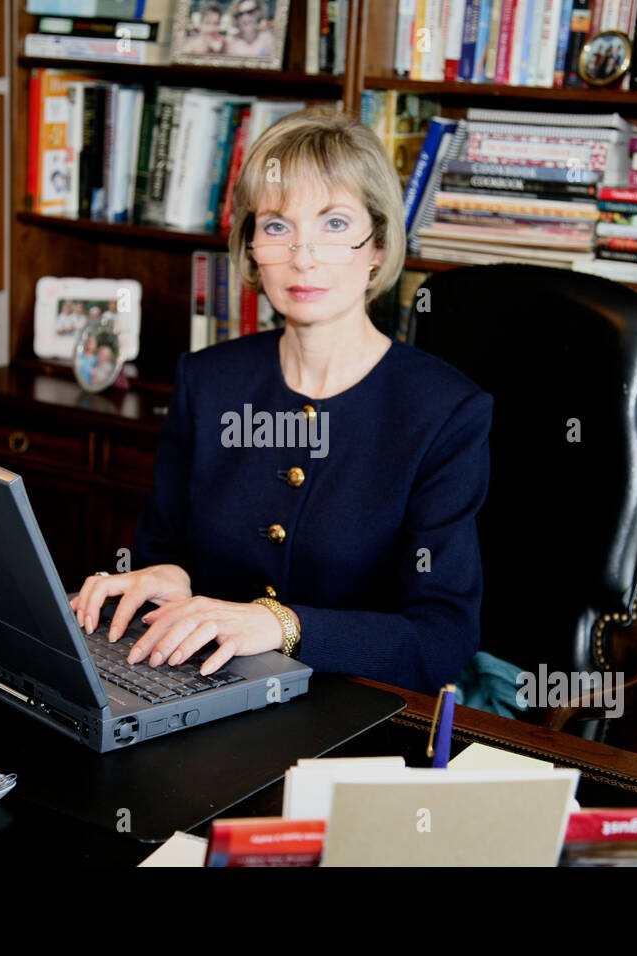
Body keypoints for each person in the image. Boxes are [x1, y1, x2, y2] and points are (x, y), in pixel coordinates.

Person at [70, 107, 495, 695]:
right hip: (201, 692)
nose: (303, 254)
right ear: (250, 248)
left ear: (377, 244)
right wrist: (167, 576)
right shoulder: (207, 382)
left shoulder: (443, 414)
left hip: (354, 715)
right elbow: (163, 553)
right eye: (276, 226)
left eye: (335, 224)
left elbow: (441, 639)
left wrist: (283, 625)